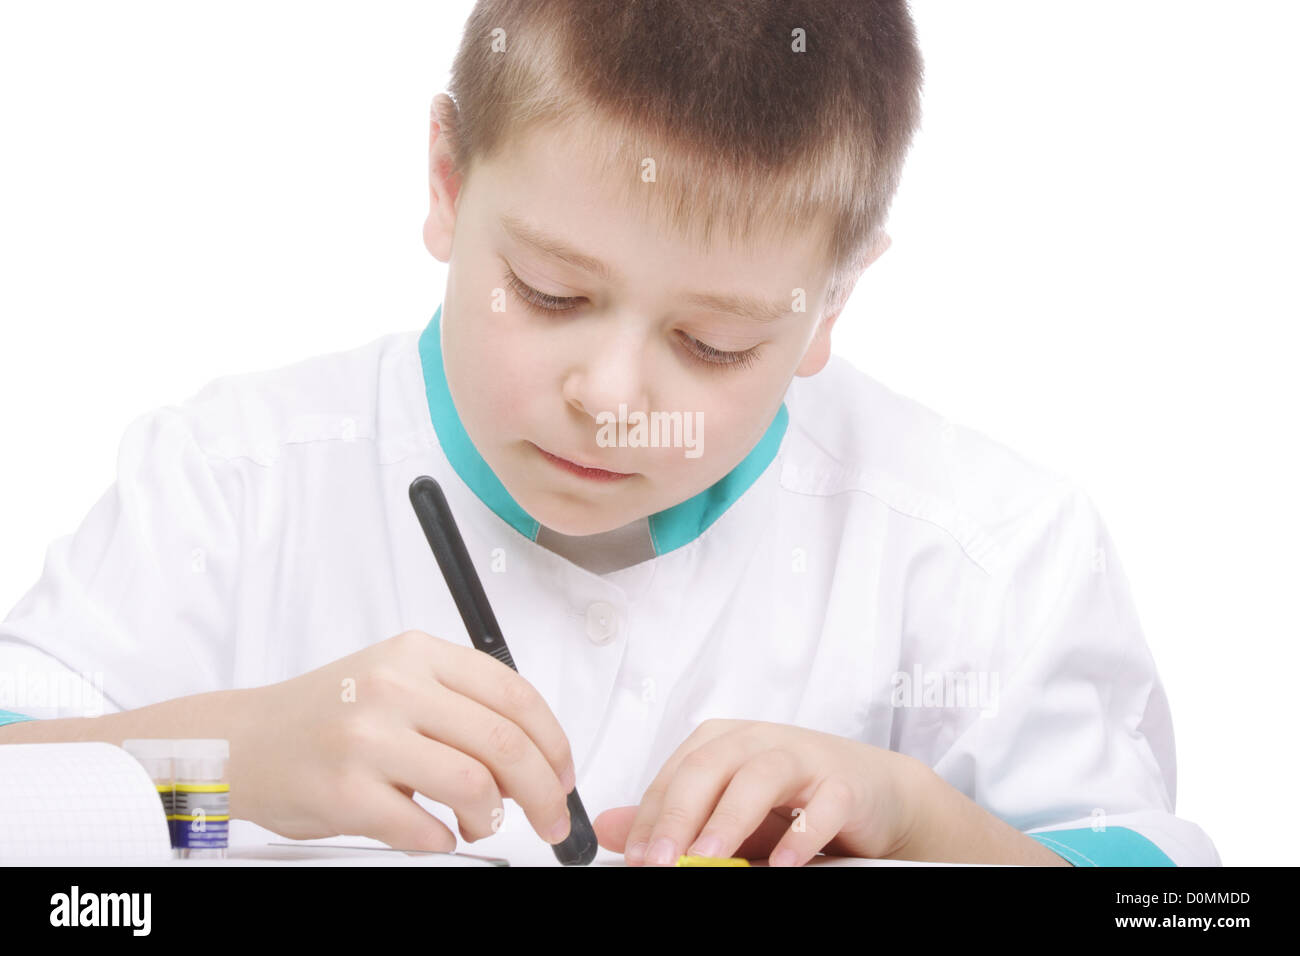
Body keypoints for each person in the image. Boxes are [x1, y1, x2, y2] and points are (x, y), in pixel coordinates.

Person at [0, 0, 1218, 866]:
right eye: (550, 293)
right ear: (446, 179)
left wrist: (916, 822)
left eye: (715, 342)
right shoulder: (227, 487)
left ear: (829, 305)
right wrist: (226, 767)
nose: (612, 396)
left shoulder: (988, 551)